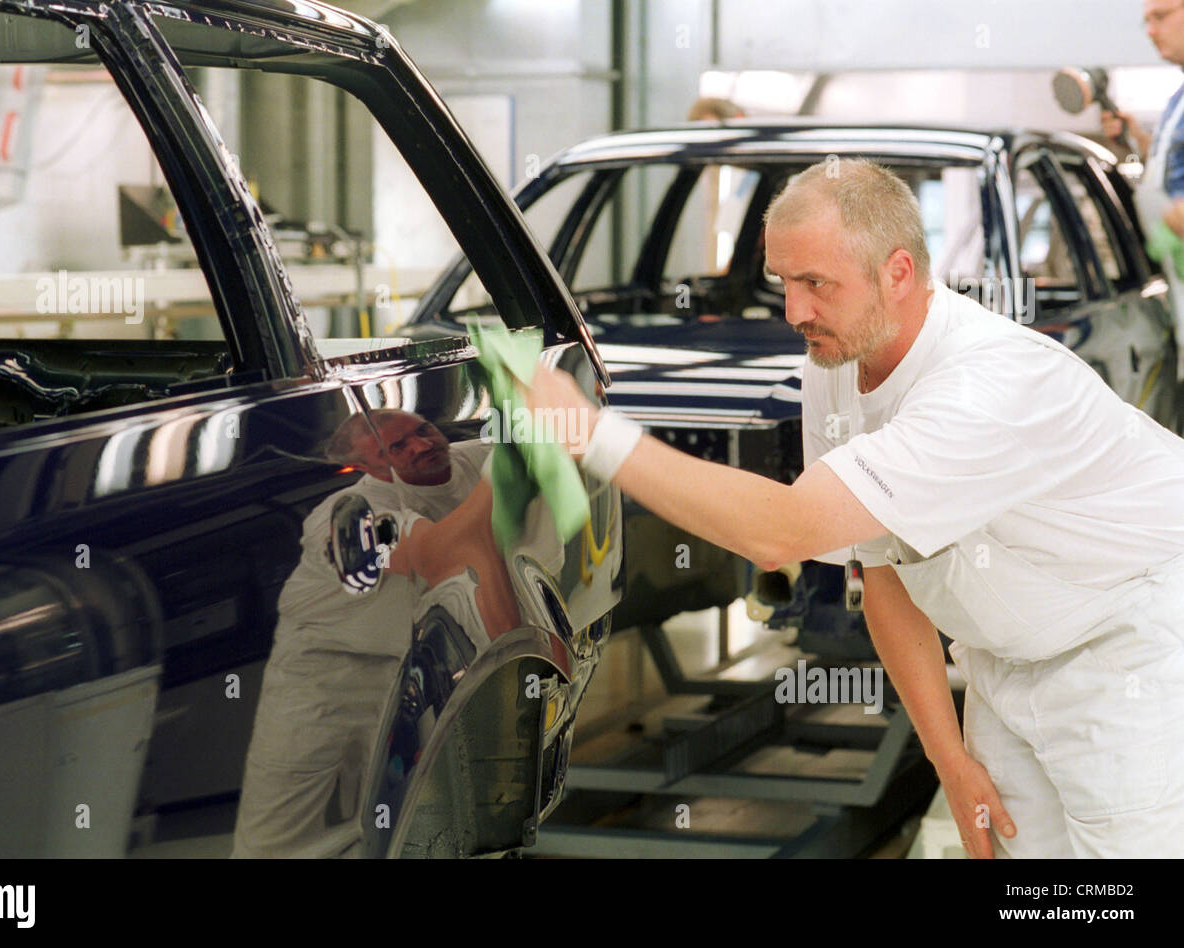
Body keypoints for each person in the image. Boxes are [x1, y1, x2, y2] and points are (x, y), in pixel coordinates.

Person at [524, 158, 1184, 858]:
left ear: (898, 272)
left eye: (816, 283)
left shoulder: (985, 386)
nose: (793, 311)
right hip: (1007, 656)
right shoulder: (836, 369)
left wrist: (592, 433)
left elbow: (780, 533)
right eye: (784, 281)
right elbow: (885, 575)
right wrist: (949, 762)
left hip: (1135, 650)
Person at [232, 410, 510, 857]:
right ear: (367, 467)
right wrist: (502, 481)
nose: (421, 446)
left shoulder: (474, 460)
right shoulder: (348, 516)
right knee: (281, 838)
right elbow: (436, 556)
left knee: (403, 829)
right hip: (323, 683)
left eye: (423, 430)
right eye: (395, 448)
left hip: (410, 675)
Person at [1104, 0, 1184, 370]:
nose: (1151, 30)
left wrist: (1167, 220)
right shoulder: (1177, 102)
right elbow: (1170, 169)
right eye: (1146, 21)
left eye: (1162, 16)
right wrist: (1136, 140)